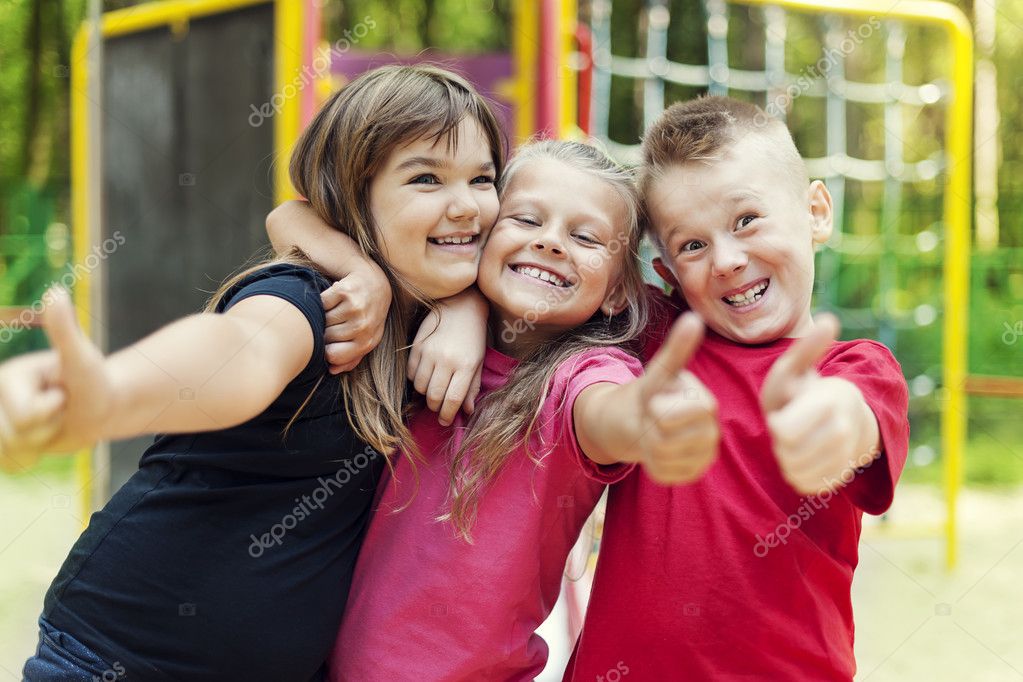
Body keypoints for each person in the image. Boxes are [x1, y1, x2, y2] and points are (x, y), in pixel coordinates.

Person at [0, 64, 505, 681]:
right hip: (118, 657)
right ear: (352, 199)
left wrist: (467, 306)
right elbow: (241, 352)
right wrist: (113, 394)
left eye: (483, 178)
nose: (466, 205)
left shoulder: (442, 314)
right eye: (425, 177)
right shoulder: (312, 303)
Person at [267, 139, 718, 681]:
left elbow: (606, 414)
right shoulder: (413, 313)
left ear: (617, 292)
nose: (550, 243)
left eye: (584, 237)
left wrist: (649, 420)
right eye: (526, 219)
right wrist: (451, 300)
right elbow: (289, 217)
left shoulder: (582, 374)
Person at [563, 96, 911, 681]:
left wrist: (829, 426)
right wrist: (462, 318)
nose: (725, 259)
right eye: (692, 245)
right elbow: (528, 291)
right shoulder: (651, 335)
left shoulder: (856, 369)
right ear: (667, 274)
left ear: (816, 211)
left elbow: (854, 419)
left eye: (747, 220)